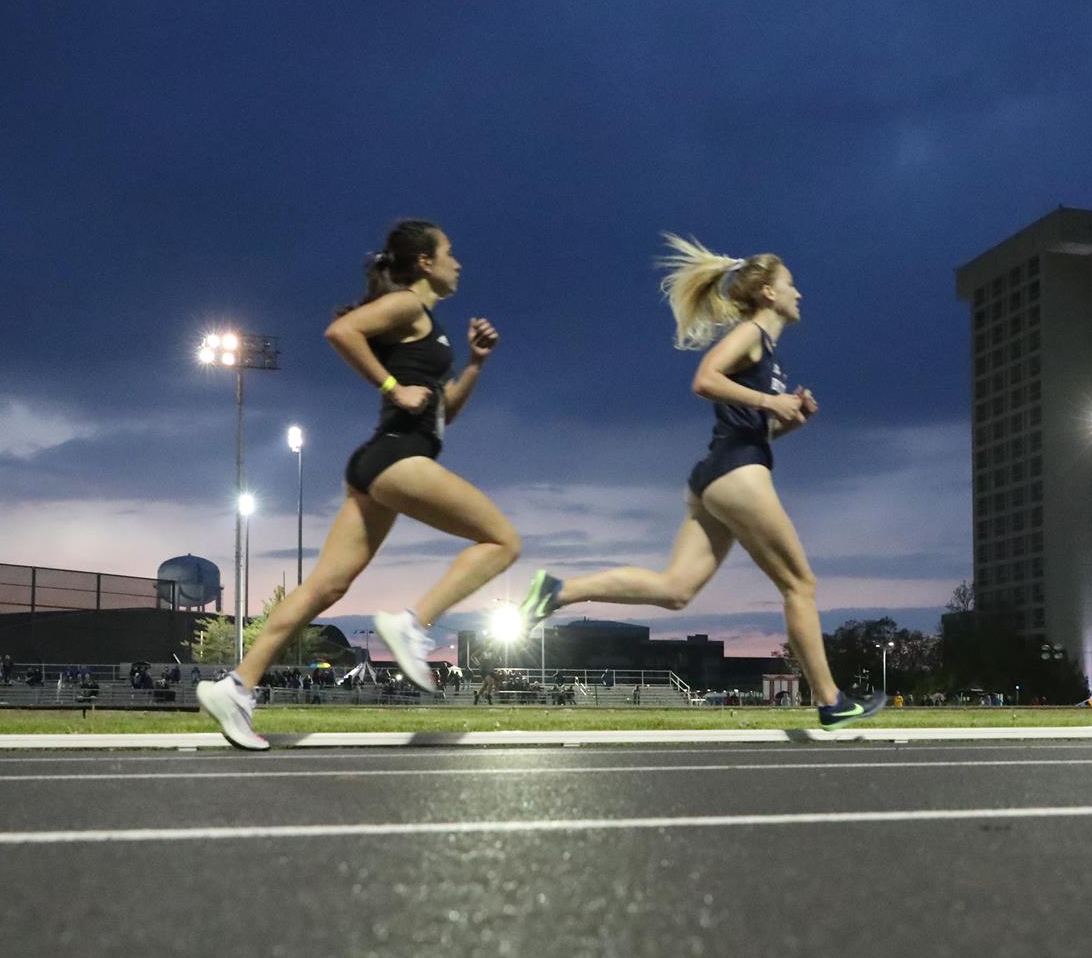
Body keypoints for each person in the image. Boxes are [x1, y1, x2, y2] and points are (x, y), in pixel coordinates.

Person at [513, 234, 884, 730]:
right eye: (792, 285)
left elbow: (754, 424)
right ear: (769, 293)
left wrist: (791, 419)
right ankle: (830, 700)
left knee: (675, 591)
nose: (800, 294)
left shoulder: (767, 353)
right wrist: (772, 402)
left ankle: (557, 592)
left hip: (718, 473)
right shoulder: (752, 333)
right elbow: (704, 378)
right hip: (736, 472)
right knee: (800, 584)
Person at [198, 220, 516, 750]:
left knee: (325, 587)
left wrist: (476, 365)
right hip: (397, 457)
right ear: (424, 263)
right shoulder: (408, 307)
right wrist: (392, 385)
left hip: (379, 463)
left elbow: (442, 415)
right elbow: (340, 333)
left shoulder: (427, 323)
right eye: (450, 252)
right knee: (503, 541)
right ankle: (414, 625)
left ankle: (236, 686)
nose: (458, 262)